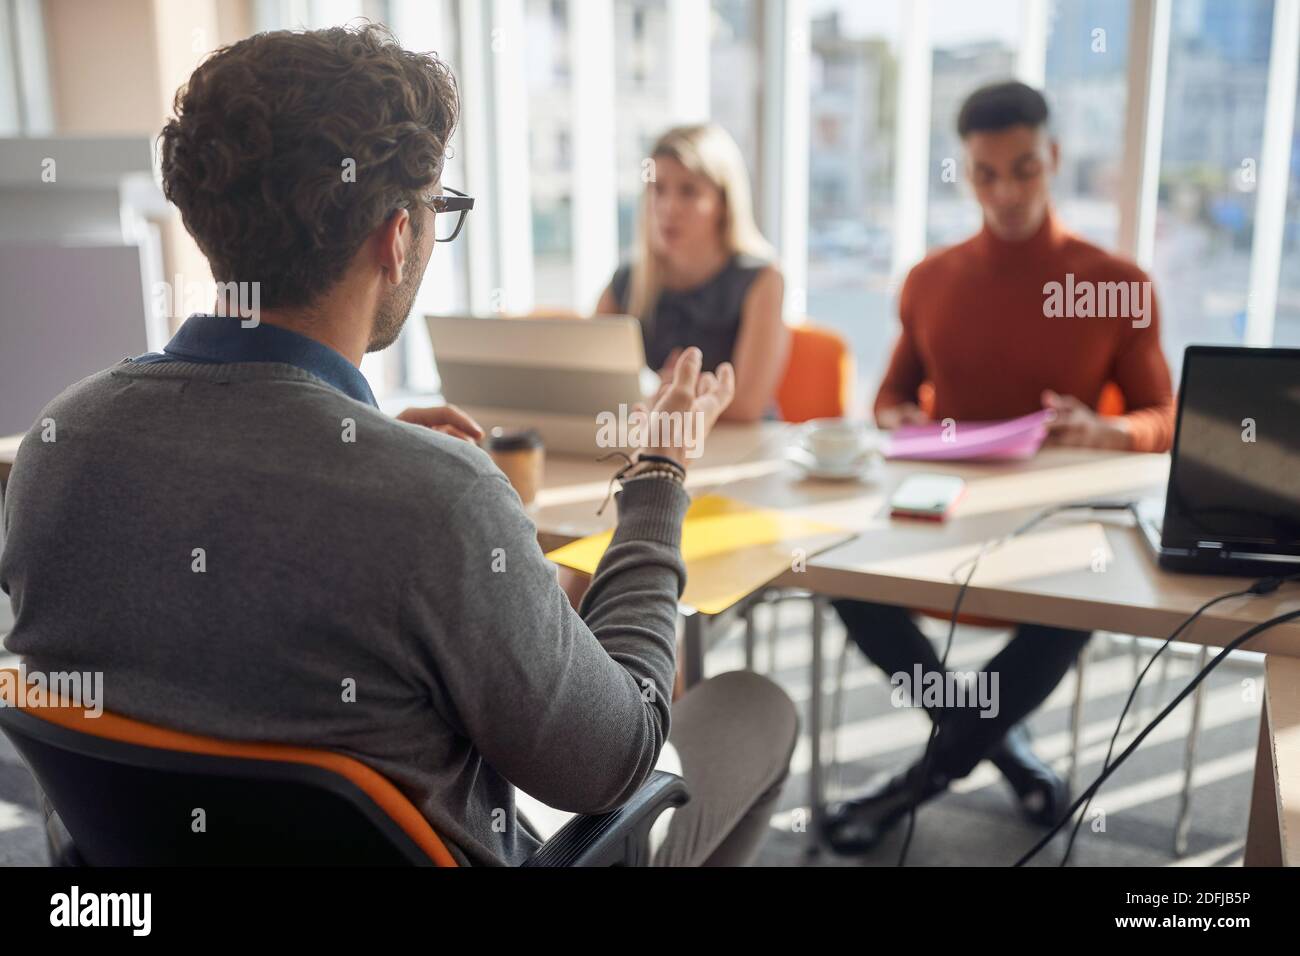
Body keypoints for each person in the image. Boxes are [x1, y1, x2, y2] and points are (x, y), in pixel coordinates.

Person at [0, 24, 797, 868]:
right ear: (396, 236)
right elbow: (613, 761)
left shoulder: (57, 446)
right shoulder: (437, 502)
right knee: (752, 707)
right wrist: (659, 475)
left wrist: (378, 453)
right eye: (436, 211)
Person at [821, 80, 1176, 855]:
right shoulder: (929, 279)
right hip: (939, 511)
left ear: (1052, 159)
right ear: (966, 173)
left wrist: (1113, 430)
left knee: (1089, 598)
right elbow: (888, 396)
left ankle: (910, 786)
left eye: (1024, 169)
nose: (1006, 191)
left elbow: (1168, 419)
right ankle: (1005, 750)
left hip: (1053, 533)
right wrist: (896, 417)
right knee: (834, 573)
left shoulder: (1118, 285)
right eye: (986, 174)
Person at [596, 124, 789, 422]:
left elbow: (747, 407)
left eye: (689, 191)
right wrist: (658, 401)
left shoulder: (762, 280)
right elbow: (592, 385)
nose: (669, 208)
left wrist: (662, 401)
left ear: (723, 203)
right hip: (667, 441)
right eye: (658, 189)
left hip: (740, 447)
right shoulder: (629, 279)